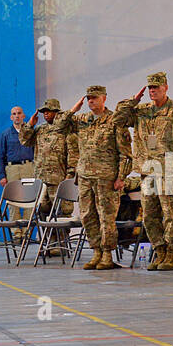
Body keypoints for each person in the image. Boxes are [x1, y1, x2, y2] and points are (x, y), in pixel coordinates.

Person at [114, 72, 173, 271]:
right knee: (149, 215)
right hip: (147, 171)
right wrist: (133, 101)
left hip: (169, 171)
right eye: (150, 88)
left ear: (165, 87)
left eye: (156, 87)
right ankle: (159, 250)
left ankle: (171, 254)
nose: (152, 91)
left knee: (169, 214)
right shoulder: (141, 110)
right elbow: (118, 119)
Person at [56, 85, 130, 270]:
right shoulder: (82, 120)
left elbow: (126, 154)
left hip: (107, 178)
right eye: (88, 98)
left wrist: (121, 177)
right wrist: (73, 110)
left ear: (104, 98)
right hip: (85, 177)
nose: (91, 101)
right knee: (88, 216)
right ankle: (96, 251)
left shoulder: (115, 120)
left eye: (95, 98)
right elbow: (59, 126)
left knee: (106, 217)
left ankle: (107, 254)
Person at [20, 98, 79, 235]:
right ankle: (48, 242)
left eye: (49, 111)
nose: (45, 114)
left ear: (57, 112)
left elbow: (73, 154)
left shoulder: (66, 130)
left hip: (59, 179)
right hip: (41, 179)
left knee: (61, 212)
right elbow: (24, 141)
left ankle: (60, 243)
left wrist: (69, 175)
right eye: (44, 112)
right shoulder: (41, 129)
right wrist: (30, 124)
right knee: (43, 211)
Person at [0, 105, 34, 187]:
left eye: (19, 113)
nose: (17, 116)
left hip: (28, 168)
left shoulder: (31, 133)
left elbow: (37, 152)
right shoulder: (5, 134)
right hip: (12, 170)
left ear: (23, 116)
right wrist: (2, 176)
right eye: (14, 114)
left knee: (29, 195)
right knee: (13, 197)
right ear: (11, 117)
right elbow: (0, 156)